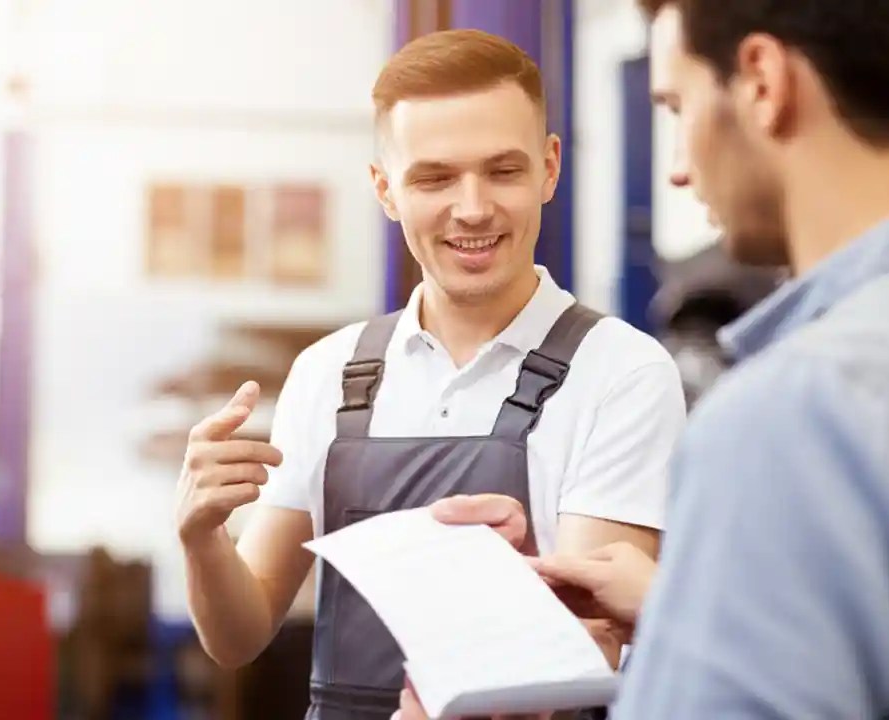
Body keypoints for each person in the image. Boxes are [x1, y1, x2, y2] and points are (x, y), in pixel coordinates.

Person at [400, 0, 889, 717]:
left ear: (761, 81)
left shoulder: (792, 415)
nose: (681, 170)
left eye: (677, 107)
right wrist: (683, 614)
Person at [174, 28, 687, 720]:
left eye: (502, 171)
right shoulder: (330, 373)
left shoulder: (622, 373)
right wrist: (201, 535)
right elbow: (237, 638)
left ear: (549, 168)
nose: (472, 208)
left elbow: (588, 650)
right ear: (385, 189)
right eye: (435, 177)